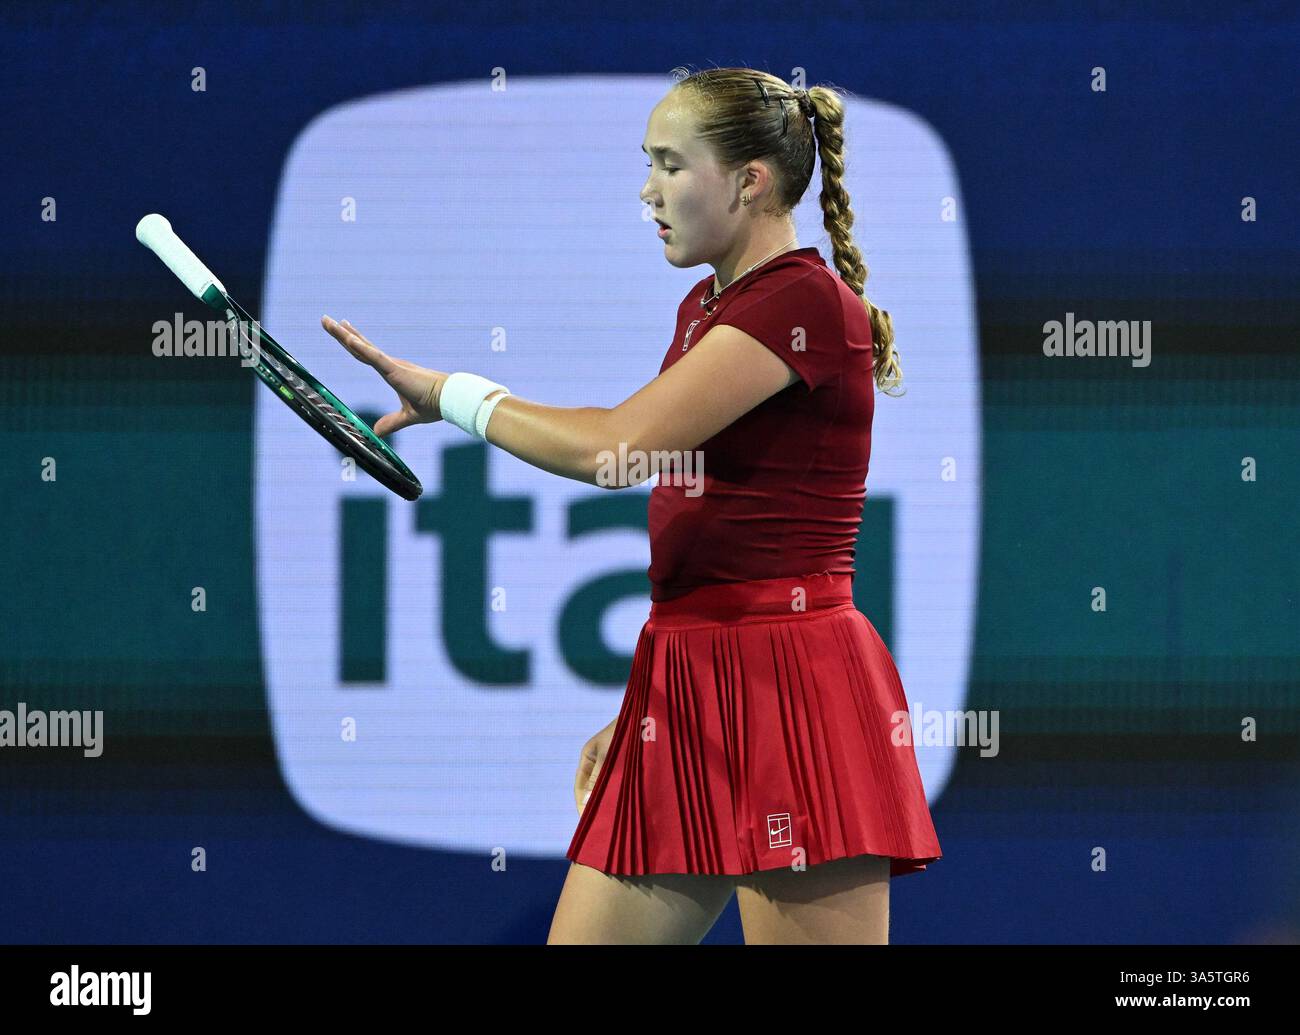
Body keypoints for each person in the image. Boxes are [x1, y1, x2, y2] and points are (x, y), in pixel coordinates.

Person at [321, 65, 941, 945]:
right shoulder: (708, 304)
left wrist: (453, 394)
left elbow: (615, 448)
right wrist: (648, 703)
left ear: (748, 180)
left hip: (795, 692)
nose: (647, 190)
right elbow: (688, 505)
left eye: (669, 164)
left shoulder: (801, 300)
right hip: (686, 682)